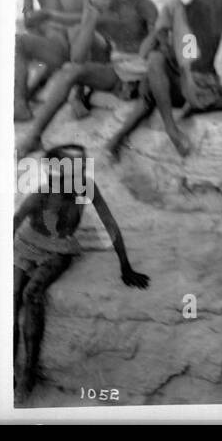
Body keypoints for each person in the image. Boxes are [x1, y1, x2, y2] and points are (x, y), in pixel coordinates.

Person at [14, 144, 149, 397]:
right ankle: (10, 370)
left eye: (81, 168)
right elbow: (15, 222)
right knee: (10, 298)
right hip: (27, 244)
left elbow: (109, 223)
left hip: (59, 248)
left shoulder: (85, 186)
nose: (79, 174)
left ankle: (28, 374)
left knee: (31, 294)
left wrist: (125, 265)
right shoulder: (42, 193)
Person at [17, 0, 159, 155]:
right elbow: (76, 59)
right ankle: (34, 136)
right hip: (119, 72)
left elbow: (159, 37)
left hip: (147, 70)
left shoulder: (141, 4)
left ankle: (82, 99)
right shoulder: (97, 13)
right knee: (70, 71)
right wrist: (89, 20)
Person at [98, 0, 222, 159]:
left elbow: (154, 53)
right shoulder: (217, 23)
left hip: (183, 86)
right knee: (157, 72)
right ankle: (172, 125)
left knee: (151, 88)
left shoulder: (184, 18)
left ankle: (120, 138)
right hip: (197, 86)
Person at [14, 0, 90, 121]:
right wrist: (38, 21)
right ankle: (19, 103)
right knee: (19, 42)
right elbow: (29, 18)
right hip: (57, 41)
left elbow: (91, 16)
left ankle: (25, 98)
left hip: (77, 43)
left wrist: (49, 17)